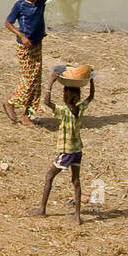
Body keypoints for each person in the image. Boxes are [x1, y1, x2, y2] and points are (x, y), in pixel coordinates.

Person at [2, 0, 58, 126]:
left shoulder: (41, 0)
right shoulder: (20, 5)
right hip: (24, 47)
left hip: (37, 45)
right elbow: (8, 23)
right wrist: (21, 35)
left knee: (37, 82)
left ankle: (27, 115)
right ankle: (10, 102)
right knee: (28, 80)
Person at [32, 71, 95, 224]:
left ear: (65, 96)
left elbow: (47, 102)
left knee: (49, 176)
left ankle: (42, 209)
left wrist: (51, 83)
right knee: (76, 180)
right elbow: (90, 97)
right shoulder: (80, 109)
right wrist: (91, 81)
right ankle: (77, 216)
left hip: (66, 151)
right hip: (77, 150)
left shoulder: (63, 111)